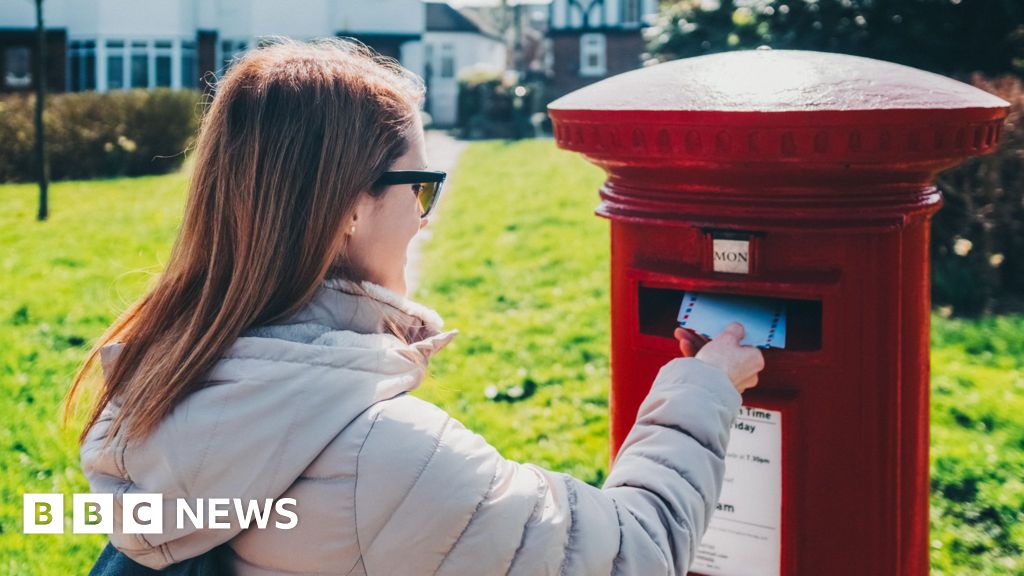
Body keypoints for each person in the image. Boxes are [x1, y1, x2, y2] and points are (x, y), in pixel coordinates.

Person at [66, 37, 765, 575]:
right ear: (349, 206)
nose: (425, 218)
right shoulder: (389, 459)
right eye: (422, 187)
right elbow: (633, 552)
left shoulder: (158, 392)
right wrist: (703, 388)